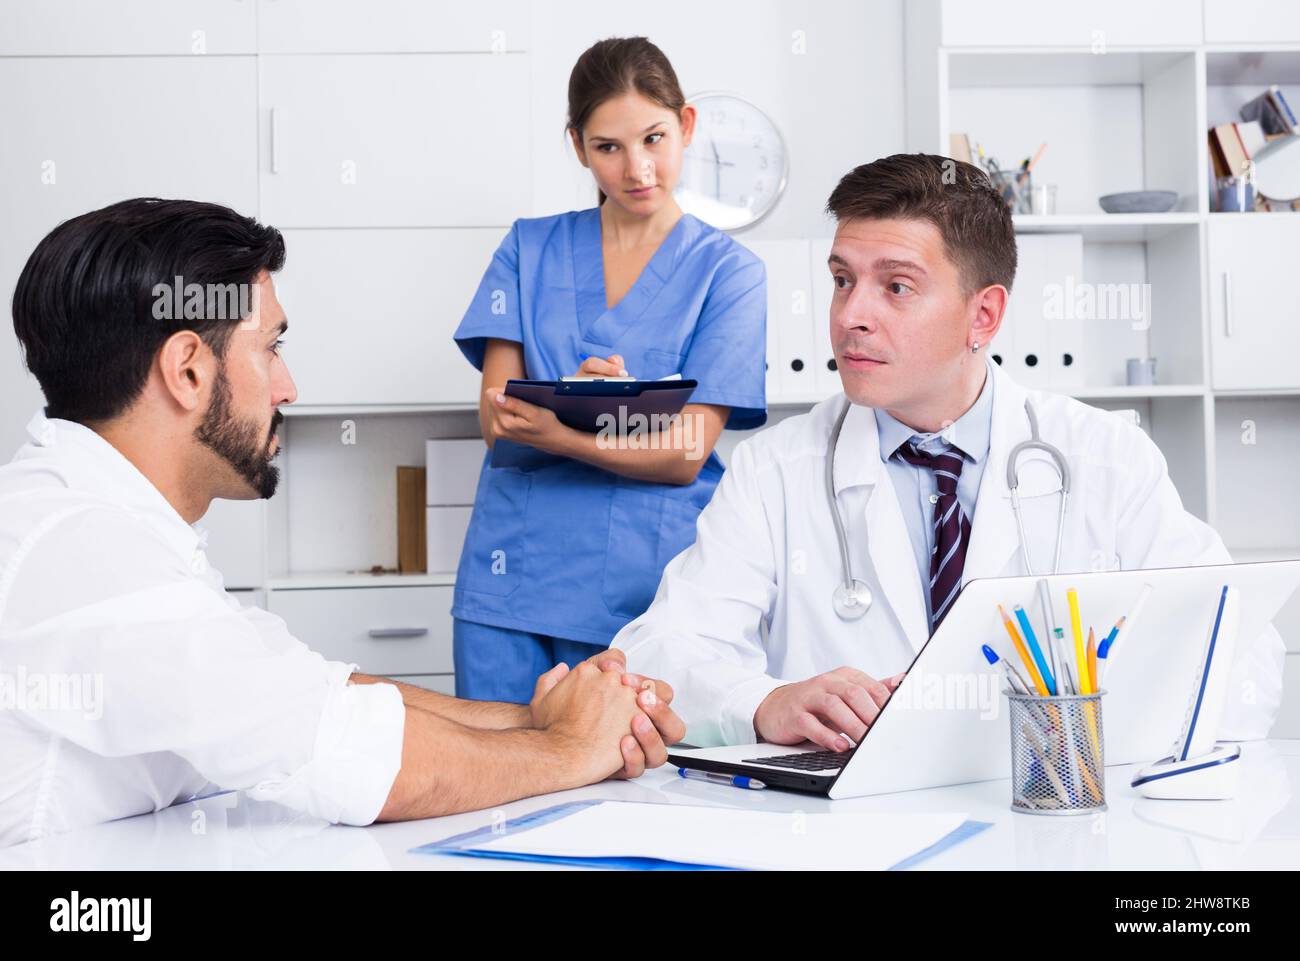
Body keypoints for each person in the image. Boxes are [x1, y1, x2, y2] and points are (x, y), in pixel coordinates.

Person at [0, 198, 684, 847]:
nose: (288, 385)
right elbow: (360, 759)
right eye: (270, 348)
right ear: (186, 370)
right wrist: (569, 745)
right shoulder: (87, 553)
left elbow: (315, 690)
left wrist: (538, 717)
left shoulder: (108, 523)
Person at [615, 153, 1285, 750]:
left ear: (984, 316)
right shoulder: (773, 470)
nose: (851, 315)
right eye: (843, 279)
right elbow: (661, 653)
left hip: (1051, 817)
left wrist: (1082, 720)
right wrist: (763, 702)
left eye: (896, 286)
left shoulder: (1106, 457)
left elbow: (1243, 651)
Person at [450, 36, 767, 703]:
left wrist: (567, 428)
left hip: (644, 596)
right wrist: (614, 413)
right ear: (578, 146)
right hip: (511, 581)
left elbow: (686, 451)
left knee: (636, 790)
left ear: (685, 125)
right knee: (488, 783)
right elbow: (497, 420)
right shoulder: (527, 248)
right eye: (608, 147)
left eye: (654, 138)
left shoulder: (730, 276)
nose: (638, 169)